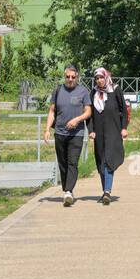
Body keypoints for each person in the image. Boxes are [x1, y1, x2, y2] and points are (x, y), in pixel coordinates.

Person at [44, 64, 91, 207]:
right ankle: (66, 189)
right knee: (62, 163)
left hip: (76, 134)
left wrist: (77, 119)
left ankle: (69, 191)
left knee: (72, 162)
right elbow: (52, 111)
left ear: (77, 77)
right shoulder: (58, 90)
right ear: (64, 77)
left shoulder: (83, 91)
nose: (70, 79)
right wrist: (46, 130)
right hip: (59, 132)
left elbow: (88, 112)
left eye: (73, 77)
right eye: (67, 77)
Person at [87, 67, 129, 205]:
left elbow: (124, 110)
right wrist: (91, 130)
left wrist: (124, 128)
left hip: (113, 130)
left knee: (108, 161)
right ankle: (105, 190)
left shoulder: (115, 90)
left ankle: (107, 191)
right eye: (97, 78)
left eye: (101, 77)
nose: (99, 80)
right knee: (100, 162)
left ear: (106, 77)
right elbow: (90, 113)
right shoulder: (93, 92)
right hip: (98, 132)